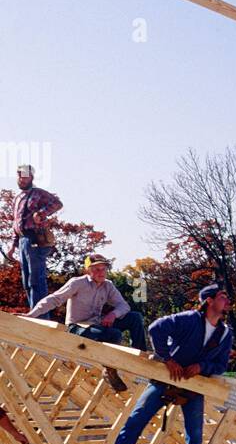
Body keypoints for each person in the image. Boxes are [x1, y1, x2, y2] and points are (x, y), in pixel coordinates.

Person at [90, 285, 234, 444]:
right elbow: (156, 328)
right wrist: (168, 359)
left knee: (195, 440)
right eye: (223, 297)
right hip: (165, 380)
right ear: (209, 301)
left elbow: (221, 365)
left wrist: (202, 366)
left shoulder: (225, 333)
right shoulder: (189, 319)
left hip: (193, 388)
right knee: (133, 424)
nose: (227, 301)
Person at [27, 253, 147, 392]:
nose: (101, 272)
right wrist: (31, 314)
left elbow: (124, 306)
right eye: (96, 269)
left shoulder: (108, 285)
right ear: (88, 270)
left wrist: (113, 314)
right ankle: (109, 369)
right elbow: (54, 299)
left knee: (135, 317)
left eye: (103, 269)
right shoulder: (77, 283)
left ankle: (141, 360)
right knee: (114, 334)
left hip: (96, 324)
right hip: (77, 327)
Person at [10, 164, 63, 308]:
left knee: (36, 280)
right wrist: (13, 246)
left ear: (31, 177)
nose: (21, 179)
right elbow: (16, 223)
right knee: (26, 281)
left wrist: (41, 213)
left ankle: (41, 316)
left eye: (25, 176)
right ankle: (34, 311)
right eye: (19, 176)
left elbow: (57, 203)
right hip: (23, 240)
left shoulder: (38, 193)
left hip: (36, 239)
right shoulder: (17, 198)